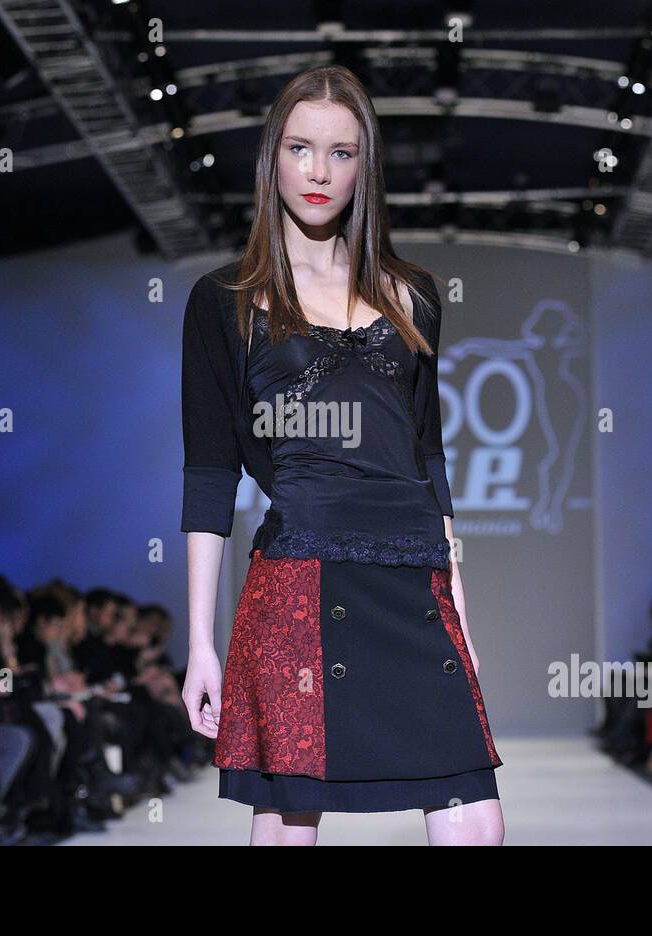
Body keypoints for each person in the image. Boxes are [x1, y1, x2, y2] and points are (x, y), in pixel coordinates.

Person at [178, 64, 504, 846]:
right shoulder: (224, 301)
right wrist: (196, 641)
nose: (319, 172)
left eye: (342, 153)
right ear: (272, 159)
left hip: (411, 575)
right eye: (300, 148)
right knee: (290, 822)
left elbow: (428, 449)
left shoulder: (413, 293)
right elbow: (210, 473)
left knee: (477, 823)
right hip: (300, 577)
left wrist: (456, 590)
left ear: (366, 166)